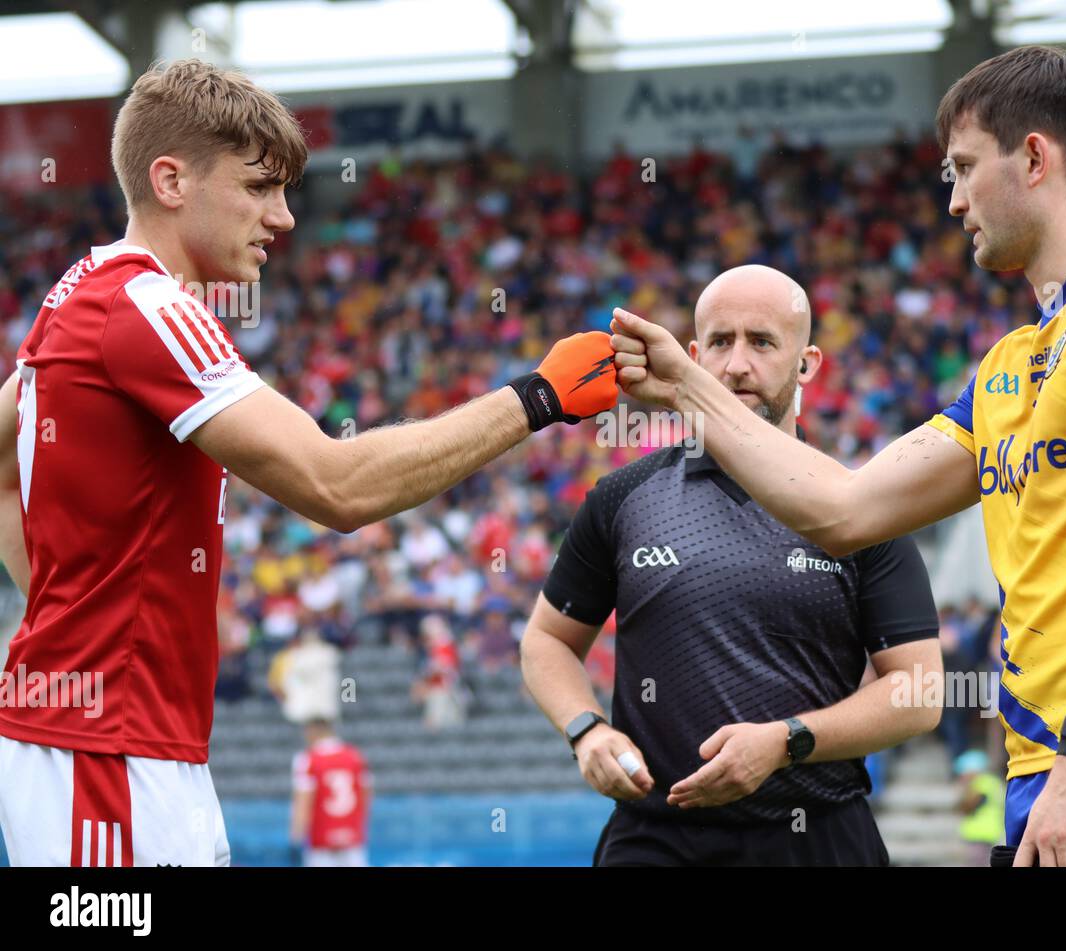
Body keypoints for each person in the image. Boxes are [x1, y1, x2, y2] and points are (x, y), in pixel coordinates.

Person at [611, 45, 1066, 867]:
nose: (952, 202)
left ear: (1033, 157)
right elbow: (844, 511)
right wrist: (690, 391)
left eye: (962, 169)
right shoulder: (1010, 364)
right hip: (1042, 767)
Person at [0, 59, 616, 867]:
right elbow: (338, 485)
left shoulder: (78, 293)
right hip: (105, 748)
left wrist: (61, 610)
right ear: (171, 179)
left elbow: (8, 465)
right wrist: (539, 396)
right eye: (258, 187)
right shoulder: (148, 305)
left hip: (112, 738)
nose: (283, 217)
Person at [522, 264, 943, 866]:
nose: (737, 364)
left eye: (762, 341)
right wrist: (585, 729)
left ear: (807, 363)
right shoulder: (621, 500)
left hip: (818, 837)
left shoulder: (861, 505)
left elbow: (919, 693)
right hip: (657, 841)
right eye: (720, 342)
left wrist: (787, 741)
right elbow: (546, 641)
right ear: (692, 356)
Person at [290, 719, 371, 867]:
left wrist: (296, 836)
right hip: (352, 837)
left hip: (321, 840)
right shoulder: (354, 756)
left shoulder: (309, 759)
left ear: (312, 732)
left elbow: (303, 801)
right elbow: (366, 793)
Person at [955, 749, 1003, 867]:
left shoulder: (980, 784)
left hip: (979, 832)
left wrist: (964, 789)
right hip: (990, 830)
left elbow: (966, 806)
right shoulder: (993, 782)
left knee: (978, 862)